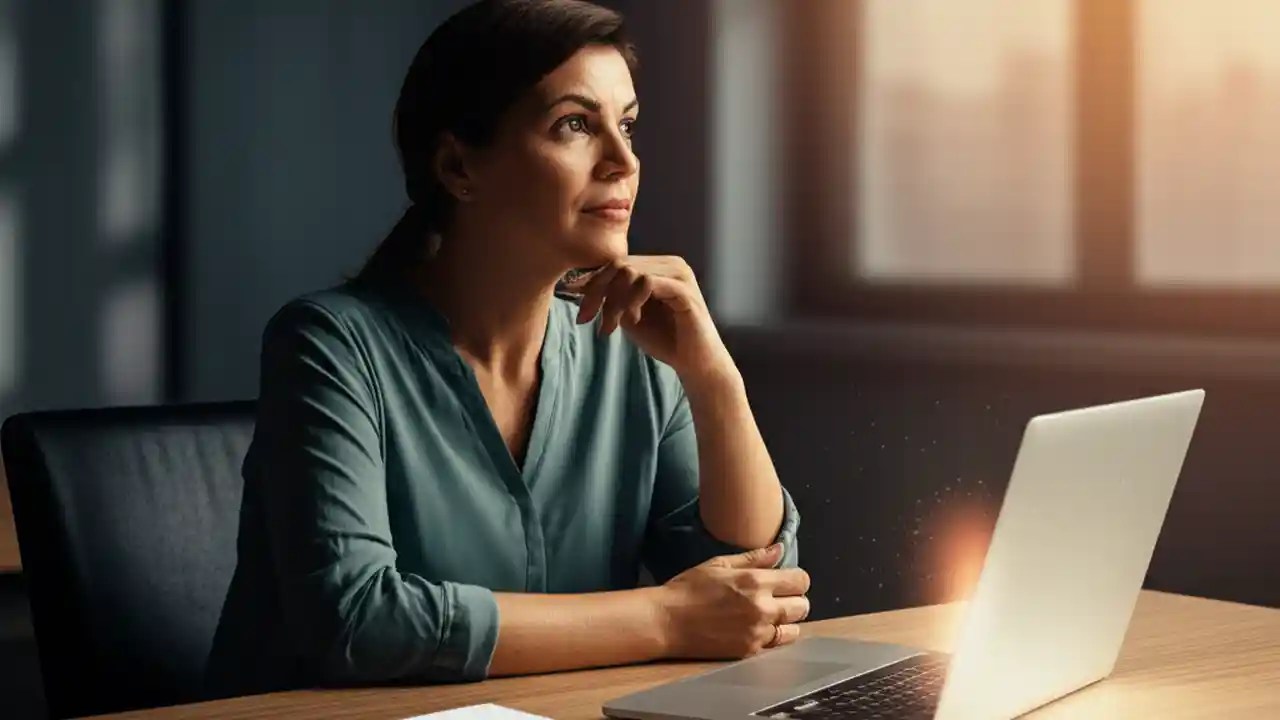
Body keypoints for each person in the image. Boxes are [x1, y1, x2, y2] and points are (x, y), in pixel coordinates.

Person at [206, 0, 805, 697]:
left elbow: (753, 587)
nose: (623, 160)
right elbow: (358, 622)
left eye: (628, 125)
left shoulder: (634, 350)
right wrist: (665, 619)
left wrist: (714, 380)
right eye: (575, 125)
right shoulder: (330, 346)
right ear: (460, 167)